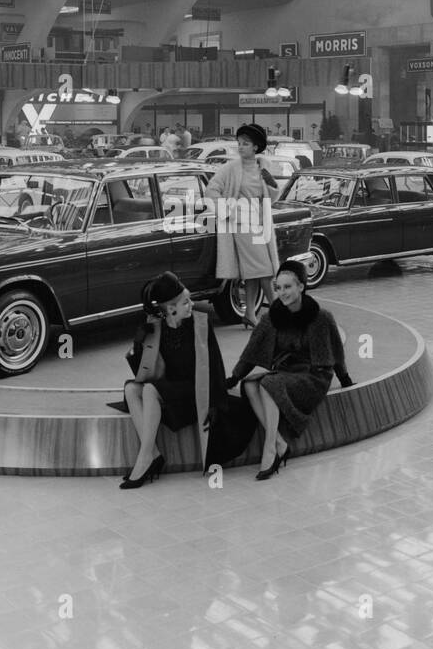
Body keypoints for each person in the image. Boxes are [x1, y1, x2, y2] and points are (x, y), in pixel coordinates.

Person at [228, 260, 353, 479]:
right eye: (278, 287)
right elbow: (252, 351)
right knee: (249, 384)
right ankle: (278, 442)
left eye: (288, 287)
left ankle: (270, 449)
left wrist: (345, 378)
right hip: (286, 372)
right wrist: (236, 376)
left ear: (301, 287)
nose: (282, 292)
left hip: (314, 376)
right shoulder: (272, 318)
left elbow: (336, 352)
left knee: (268, 383)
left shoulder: (321, 317)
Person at [118, 272, 230, 489]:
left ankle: (144, 459)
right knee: (132, 389)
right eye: (186, 301)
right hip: (168, 389)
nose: (192, 304)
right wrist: (139, 343)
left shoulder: (200, 324)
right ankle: (153, 454)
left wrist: (215, 402)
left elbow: (215, 364)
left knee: (150, 390)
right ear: (171, 309)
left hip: (193, 391)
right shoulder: (156, 326)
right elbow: (144, 373)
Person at [206, 123, 279, 327]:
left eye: (245, 144)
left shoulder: (264, 166)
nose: (240, 147)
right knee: (264, 270)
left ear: (256, 147)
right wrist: (230, 211)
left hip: (259, 223)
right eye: (239, 143)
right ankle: (277, 312)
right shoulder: (230, 168)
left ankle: (249, 314)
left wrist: (271, 183)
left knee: (253, 273)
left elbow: (271, 197)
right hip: (241, 225)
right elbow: (211, 190)